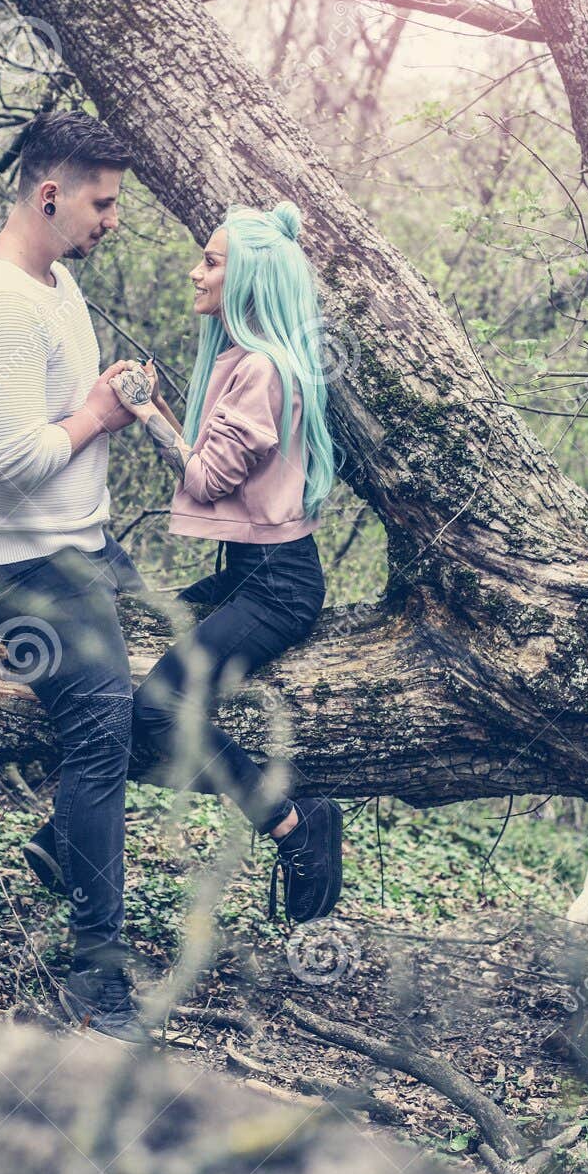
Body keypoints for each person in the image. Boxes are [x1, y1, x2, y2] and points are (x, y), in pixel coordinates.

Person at [0, 109, 153, 1045]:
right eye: (101, 203)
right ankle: (97, 985)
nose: (110, 220)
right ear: (48, 193)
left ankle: (63, 847)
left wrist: (110, 393)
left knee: (156, 699)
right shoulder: (1, 304)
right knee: (101, 737)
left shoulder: (55, 283)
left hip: (75, 546)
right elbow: (17, 457)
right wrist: (100, 412)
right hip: (12, 564)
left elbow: (63, 409)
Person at [119, 199, 343, 925]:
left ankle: (289, 824)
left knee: (158, 708)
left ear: (246, 281)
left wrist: (144, 411)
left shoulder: (260, 370)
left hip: (276, 585)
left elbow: (207, 478)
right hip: (251, 571)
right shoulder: (246, 362)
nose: (196, 271)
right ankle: (65, 837)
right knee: (137, 658)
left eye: (210, 263)